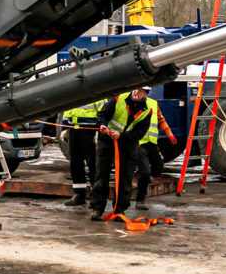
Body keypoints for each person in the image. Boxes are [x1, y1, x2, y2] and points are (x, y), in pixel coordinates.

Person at [88, 88, 160, 221]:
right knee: (101, 175)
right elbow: (102, 115)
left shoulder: (148, 109)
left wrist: (122, 136)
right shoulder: (119, 98)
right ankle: (97, 209)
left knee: (125, 178)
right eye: (135, 88)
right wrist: (103, 125)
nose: (136, 92)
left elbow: (140, 132)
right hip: (107, 141)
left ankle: (119, 210)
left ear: (146, 94)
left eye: (140, 90)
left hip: (127, 143)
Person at [60, 101, 104, 207]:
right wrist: (64, 128)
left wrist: (99, 130)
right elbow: (67, 111)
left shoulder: (95, 94)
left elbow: (103, 112)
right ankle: (79, 194)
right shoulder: (74, 93)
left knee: (92, 164)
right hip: (74, 130)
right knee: (75, 163)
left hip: (90, 131)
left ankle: (96, 197)